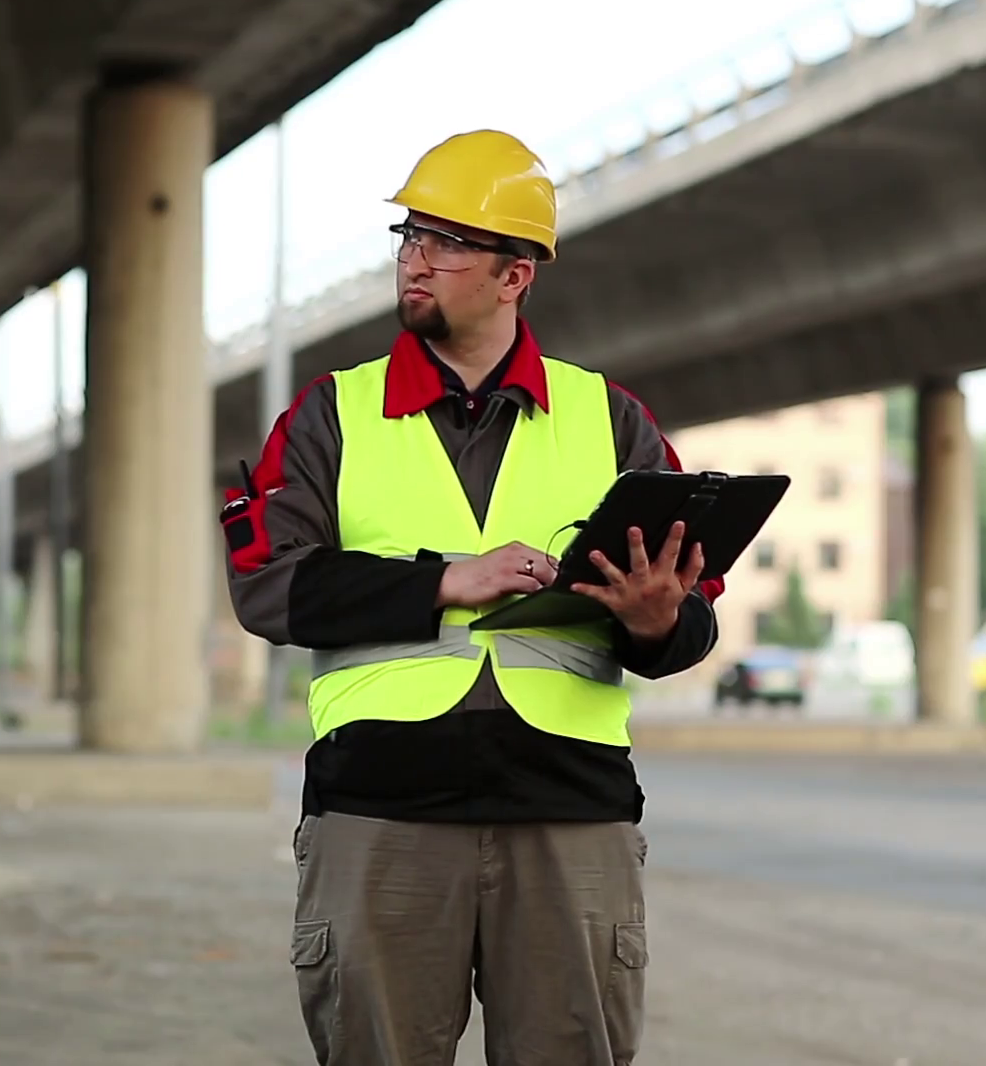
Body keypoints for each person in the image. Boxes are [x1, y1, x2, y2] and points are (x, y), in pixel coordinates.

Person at [222, 129, 725, 1066]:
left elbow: (691, 612)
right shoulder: (332, 414)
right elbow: (265, 582)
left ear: (515, 274)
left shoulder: (610, 419)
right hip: (380, 813)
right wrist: (447, 580)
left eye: (446, 241)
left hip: (570, 814)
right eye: (410, 236)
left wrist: (661, 620)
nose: (416, 258)